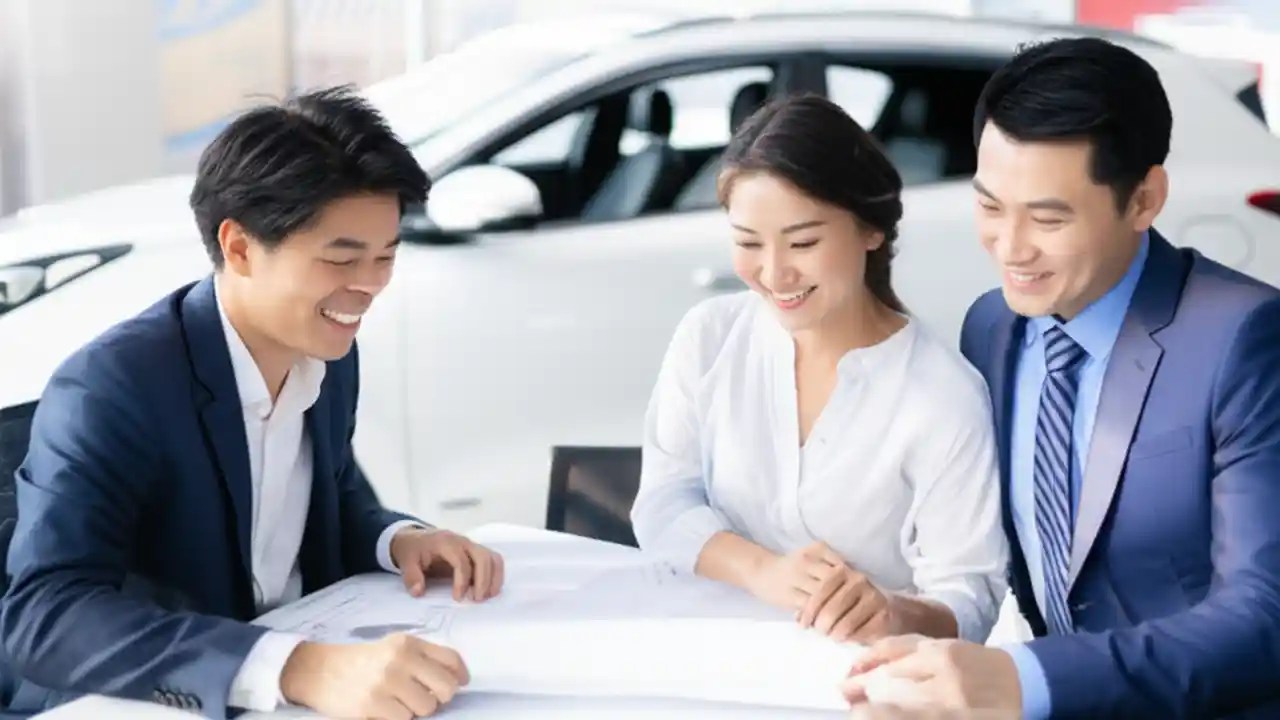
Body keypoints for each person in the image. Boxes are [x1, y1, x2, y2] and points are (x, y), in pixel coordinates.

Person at [1, 87, 505, 720]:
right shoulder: (114, 386)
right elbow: (45, 617)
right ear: (238, 247)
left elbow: (318, 501)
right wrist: (293, 666)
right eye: (342, 257)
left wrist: (396, 539)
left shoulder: (327, 351)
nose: (373, 285)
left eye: (386, 256)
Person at [843, 37, 1280, 718]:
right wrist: (905, 617)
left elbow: (1264, 619)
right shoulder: (990, 329)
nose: (1011, 249)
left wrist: (1027, 680)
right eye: (990, 207)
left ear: (1144, 200)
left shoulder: (1245, 337)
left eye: (1048, 218)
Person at [629, 95, 1008, 645]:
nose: (774, 272)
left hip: (854, 677)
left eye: (803, 242)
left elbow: (972, 598)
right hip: (703, 651)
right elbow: (663, 503)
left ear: (870, 229)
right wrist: (762, 571)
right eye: (747, 243)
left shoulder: (942, 397)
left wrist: (892, 614)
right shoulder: (709, 336)